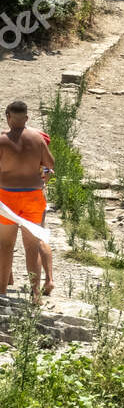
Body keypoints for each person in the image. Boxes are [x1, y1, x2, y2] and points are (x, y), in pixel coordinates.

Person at [1, 99, 55, 301]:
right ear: (26, 118)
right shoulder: (37, 139)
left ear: (8, 117)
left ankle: (2, 293)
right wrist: (44, 172)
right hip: (33, 196)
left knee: (5, 246)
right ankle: (35, 293)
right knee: (32, 247)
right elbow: (50, 164)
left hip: (7, 197)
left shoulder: (2, 140)